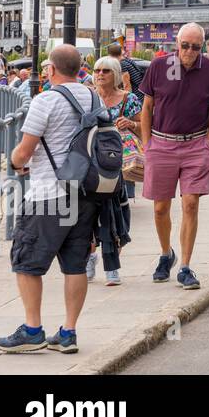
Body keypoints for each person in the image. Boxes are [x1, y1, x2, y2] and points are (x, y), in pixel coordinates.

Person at [0, 45, 122, 355]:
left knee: (26, 261)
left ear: (51, 70)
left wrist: (14, 162)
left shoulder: (45, 100)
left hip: (49, 195)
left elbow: (23, 153)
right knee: (75, 265)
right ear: (80, 69)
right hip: (85, 194)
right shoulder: (93, 97)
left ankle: (33, 329)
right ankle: (68, 332)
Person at [139, 22, 209, 292]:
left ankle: (185, 267)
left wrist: (208, 142)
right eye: (185, 45)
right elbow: (147, 107)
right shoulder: (159, 66)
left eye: (195, 47)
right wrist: (147, 145)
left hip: (194, 146)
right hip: (162, 144)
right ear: (176, 44)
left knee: (190, 204)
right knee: (160, 208)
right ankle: (166, 254)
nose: (189, 51)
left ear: (202, 47)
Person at [86, 55, 141, 285]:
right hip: (90, 161)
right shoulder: (87, 98)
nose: (100, 75)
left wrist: (131, 124)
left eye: (106, 71)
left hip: (117, 164)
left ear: (116, 74)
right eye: (97, 70)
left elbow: (144, 129)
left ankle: (112, 263)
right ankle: (89, 255)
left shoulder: (129, 100)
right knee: (87, 212)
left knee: (114, 211)